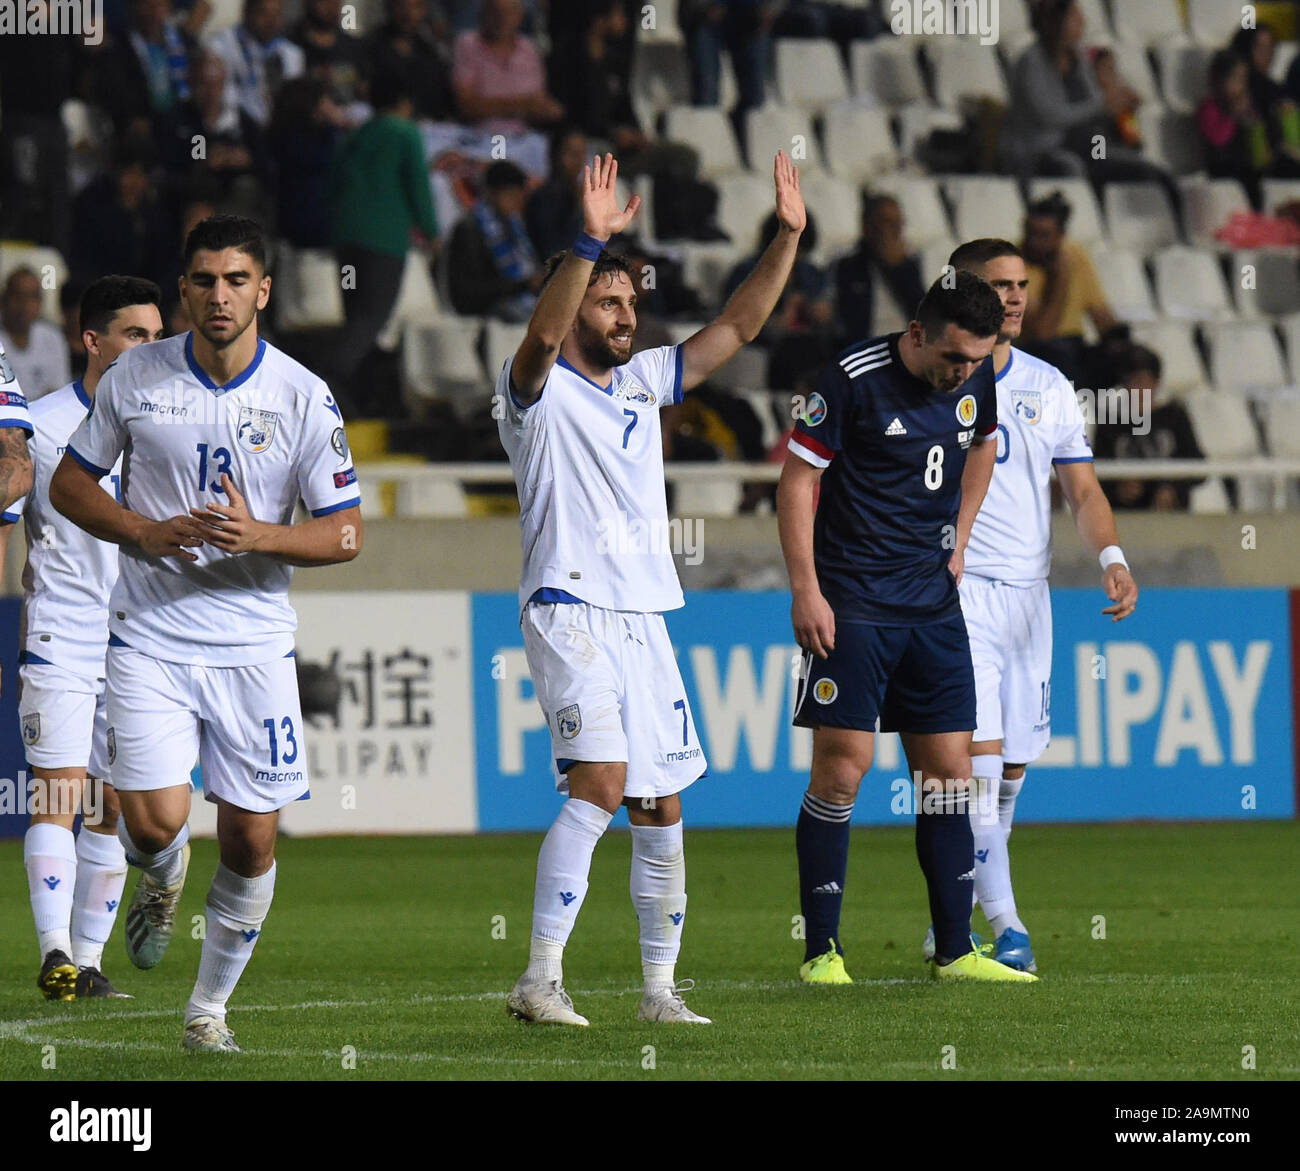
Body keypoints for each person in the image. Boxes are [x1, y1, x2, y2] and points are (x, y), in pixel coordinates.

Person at [498, 151, 805, 1025]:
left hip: (643, 613)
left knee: (660, 800)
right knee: (599, 778)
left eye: (632, 301)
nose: (626, 314)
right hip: (567, 603)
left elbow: (738, 328)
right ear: (575, 300)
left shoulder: (641, 384)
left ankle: (659, 991)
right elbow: (542, 337)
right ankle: (540, 977)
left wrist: (785, 237)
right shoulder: (538, 391)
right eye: (608, 299)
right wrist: (586, 243)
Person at [49, 215, 363, 1053]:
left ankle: (206, 1011)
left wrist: (261, 535)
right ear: (183, 289)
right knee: (152, 825)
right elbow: (69, 486)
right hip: (150, 633)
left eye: (235, 281)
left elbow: (344, 533)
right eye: (202, 280)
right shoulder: (135, 378)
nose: (218, 295)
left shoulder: (301, 394)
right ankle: (159, 877)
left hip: (254, 649)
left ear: (262, 290)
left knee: (251, 837)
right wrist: (141, 532)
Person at [778, 269, 1037, 985]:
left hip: (932, 604)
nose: (963, 373)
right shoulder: (849, 380)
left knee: (951, 774)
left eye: (975, 361)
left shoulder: (975, 379)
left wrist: (960, 535)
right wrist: (807, 590)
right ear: (917, 333)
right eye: (953, 357)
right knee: (843, 769)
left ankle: (955, 950)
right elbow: (798, 481)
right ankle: (822, 951)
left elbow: (983, 443)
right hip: (853, 602)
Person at [941, 238, 1138, 972]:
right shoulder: (938, 379)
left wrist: (1112, 557)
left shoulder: (1050, 384)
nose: (1016, 296)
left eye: (1023, 284)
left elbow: (1081, 490)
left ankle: (953, 914)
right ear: (961, 289)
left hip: (1032, 596)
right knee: (981, 766)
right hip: (960, 594)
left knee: (1015, 765)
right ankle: (1009, 924)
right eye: (999, 284)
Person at [2, 276, 165, 1002]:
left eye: (158, 336)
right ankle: (56, 951)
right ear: (91, 339)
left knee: (110, 805)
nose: (150, 348)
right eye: (135, 334)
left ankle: (89, 963)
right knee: (58, 795)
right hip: (62, 638)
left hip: (138, 646)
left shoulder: (165, 425)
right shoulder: (36, 426)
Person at [329, 73, 438, 414]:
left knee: (355, 318)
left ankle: (355, 402)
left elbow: (333, 181)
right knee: (372, 318)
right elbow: (417, 184)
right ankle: (328, 377)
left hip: (346, 240)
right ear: (405, 101)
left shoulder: (355, 134)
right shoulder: (405, 133)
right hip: (384, 241)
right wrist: (431, 230)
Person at [1091, 343, 1204, 511]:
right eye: (1131, 381)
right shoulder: (1110, 422)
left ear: (1156, 382)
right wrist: (1118, 490)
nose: (1136, 388)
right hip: (1125, 519)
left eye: (1142, 380)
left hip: (1170, 516)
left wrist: (1173, 488)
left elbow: (1197, 467)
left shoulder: (1174, 417)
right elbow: (1097, 470)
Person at [1019, 191, 1116, 384]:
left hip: (1074, 345)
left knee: (1136, 361)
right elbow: (1042, 332)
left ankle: (1133, 414)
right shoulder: (1013, 262)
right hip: (1034, 350)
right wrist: (1060, 277)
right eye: (1030, 233)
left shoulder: (1076, 254)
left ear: (1061, 236)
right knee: (1059, 361)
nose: (1033, 242)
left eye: (1043, 235)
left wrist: (1120, 344)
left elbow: (1100, 315)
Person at [447, 161, 540, 321]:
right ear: (491, 193)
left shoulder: (514, 226)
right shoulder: (469, 229)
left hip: (515, 298)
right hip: (485, 307)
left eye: (520, 195)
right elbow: (470, 290)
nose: (517, 201)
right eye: (511, 195)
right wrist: (523, 285)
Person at [834, 193, 927, 344]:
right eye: (887, 222)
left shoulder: (910, 265)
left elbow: (922, 314)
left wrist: (899, 269)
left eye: (898, 223)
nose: (895, 230)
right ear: (868, 226)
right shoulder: (848, 267)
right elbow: (848, 321)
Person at [204, 0, 306, 129]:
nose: (271, 21)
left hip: (277, 134)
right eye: (264, 13)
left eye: (277, 14)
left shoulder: (291, 54)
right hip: (233, 132)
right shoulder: (220, 46)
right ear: (246, 12)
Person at [0, 269, 72, 402]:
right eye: (17, 296)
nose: (24, 304)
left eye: (32, 297)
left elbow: (59, 394)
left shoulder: (53, 338)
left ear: (40, 302)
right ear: (4, 299)